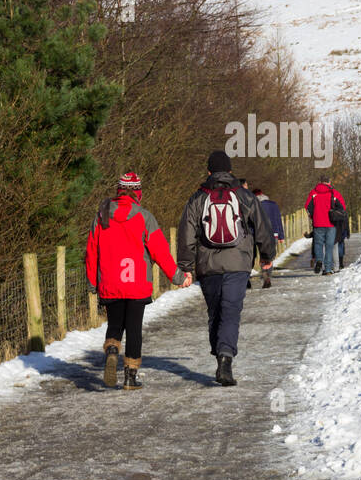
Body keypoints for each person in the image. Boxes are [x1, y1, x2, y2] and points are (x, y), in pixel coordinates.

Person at [176, 150, 276, 385]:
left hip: (207, 264)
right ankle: (225, 358)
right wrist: (266, 256)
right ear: (230, 171)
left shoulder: (198, 198)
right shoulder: (243, 195)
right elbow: (261, 225)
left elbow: (186, 234)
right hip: (238, 262)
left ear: (209, 171)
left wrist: (185, 266)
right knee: (230, 312)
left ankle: (220, 353)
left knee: (215, 313)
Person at [85, 171, 191, 389]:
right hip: (137, 283)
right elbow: (161, 251)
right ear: (138, 192)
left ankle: (113, 350)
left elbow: (91, 251)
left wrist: (92, 282)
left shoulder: (102, 215)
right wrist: (178, 276)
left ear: (119, 190)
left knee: (115, 325)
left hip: (110, 282)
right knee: (134, 329)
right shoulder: (144, 217)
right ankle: (130, 378)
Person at [305, 177, 347, 275]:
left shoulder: (313, 193)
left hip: (318, 223)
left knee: (318, 244)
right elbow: (342, 207)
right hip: (331, 223)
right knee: (329, 246)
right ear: (329, 182)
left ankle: (319, 260)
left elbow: (307, 207)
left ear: (319, 182)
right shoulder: (334, 193)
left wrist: (313, 216)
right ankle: (328, 269)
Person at [252, 187, 284, 288]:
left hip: (259, 233)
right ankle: (268, 274)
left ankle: (265, 274)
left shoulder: (255, 205)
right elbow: (278, 220)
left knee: (261, 254)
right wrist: (281, 235)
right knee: (269, 254)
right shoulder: (273, 204)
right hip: (273, 233)